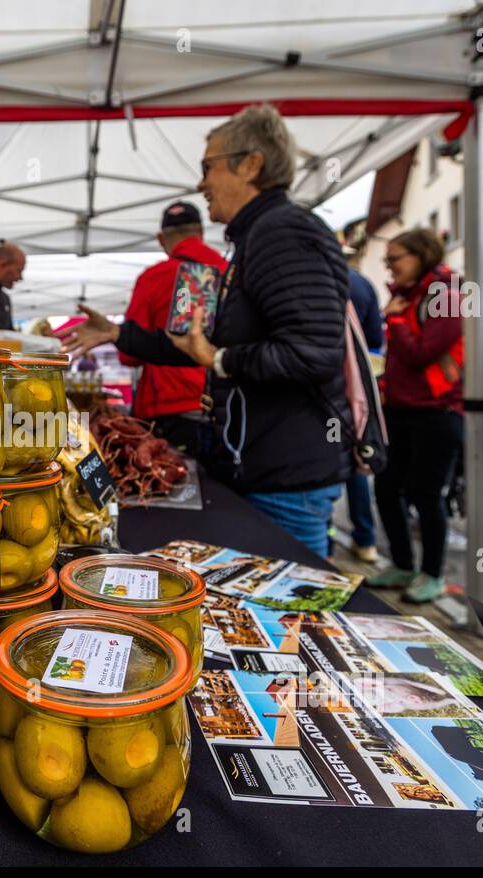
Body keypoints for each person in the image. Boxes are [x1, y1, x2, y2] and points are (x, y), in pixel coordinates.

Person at [58, 105, 353, 558]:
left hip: (286, 478)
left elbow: (311, 351)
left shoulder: (282, 231)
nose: (201, 184)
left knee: (293, 619)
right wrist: (120, 336)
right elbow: (199, 344)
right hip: (267, 471)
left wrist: (218, 360)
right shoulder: (256, 237)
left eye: (208, 167)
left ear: (251, 164)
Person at [366, 228, 464, 604]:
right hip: (401, 410)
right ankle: (403, 565)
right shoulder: (409, 297)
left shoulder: (446, 295)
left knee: (426, 495)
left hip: (436, 413)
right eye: (387, 260)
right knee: (387, 488)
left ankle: (432, 574)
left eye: (395, 259)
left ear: (421, 255)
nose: (389, 267)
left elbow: (424, 353)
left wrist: (395, 320)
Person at [82, 202, 226, 454]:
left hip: (169, 409)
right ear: (202, 232)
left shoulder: (154, 277)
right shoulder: (229, 270)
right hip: (226, 406)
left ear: (161, 239)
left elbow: (129, 356)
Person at [345, 260, 385, 563]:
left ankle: (329, 544)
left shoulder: (308, 275)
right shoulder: (361, 282)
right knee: (358, 459)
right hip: (355, 386)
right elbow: (375, 341)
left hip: (326, 391)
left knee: (332, 461)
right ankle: (365, 538)